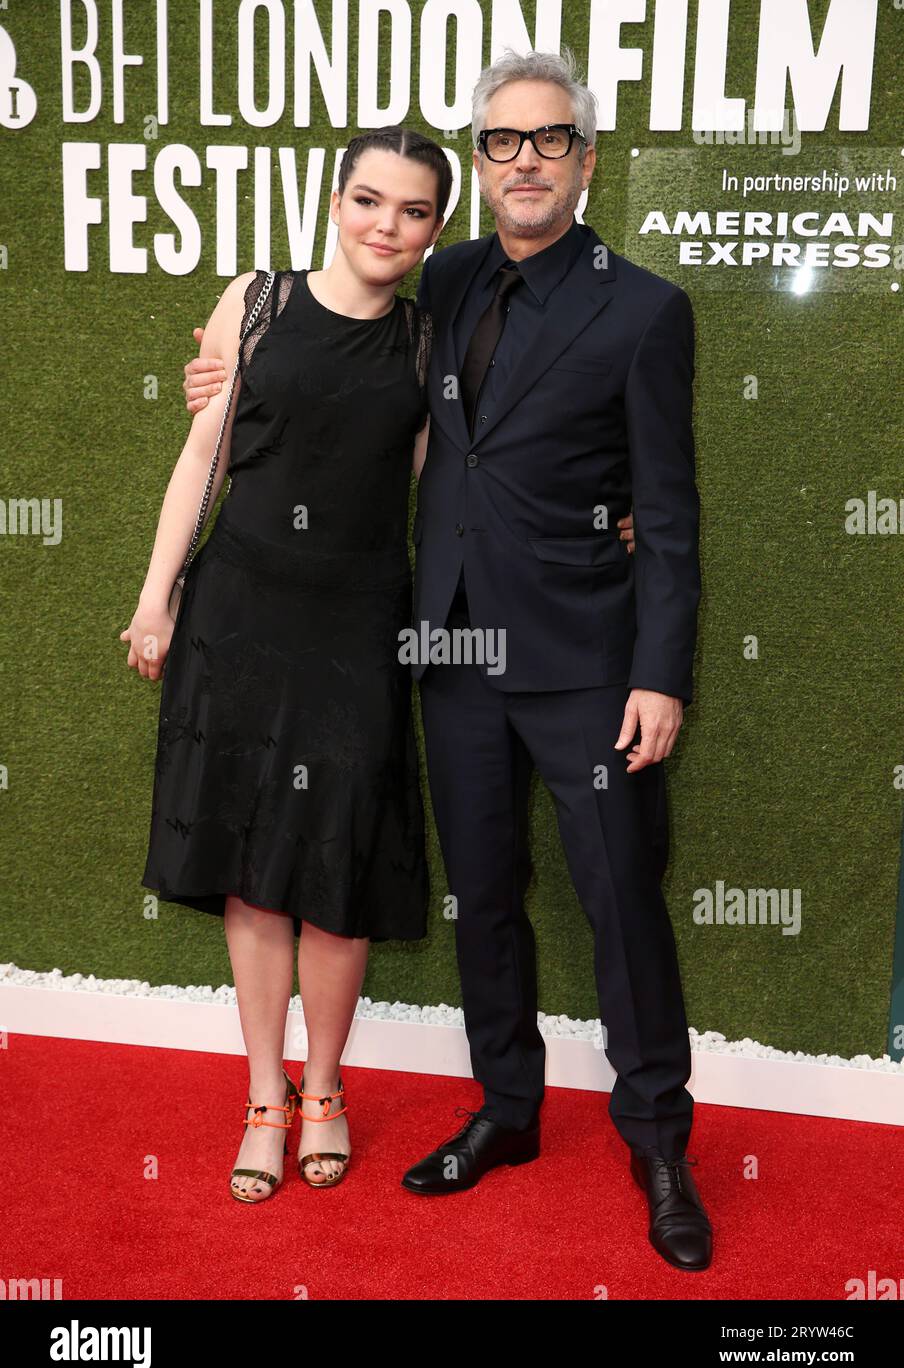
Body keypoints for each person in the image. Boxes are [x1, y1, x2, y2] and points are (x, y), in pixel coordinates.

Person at [401, 47, 712, 1273]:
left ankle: (658, 1140)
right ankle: (508, 1109)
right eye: (500, 140)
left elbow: (670, 511)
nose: (522, 159)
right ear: (478, 163)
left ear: (587, 159)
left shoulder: (643, 308)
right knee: (482, 893)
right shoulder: (444, 278)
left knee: (620, 904)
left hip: (588, 659)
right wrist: (230, 369)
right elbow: (357, 367)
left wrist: (662, 670)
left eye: (548, 139)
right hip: (455, 643)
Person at [122, 127, 450, 1202]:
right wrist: (156, 592)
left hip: (358, 627)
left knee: (335, 874)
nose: (384, 226)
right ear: (334, 200)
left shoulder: (423, 344)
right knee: (254, 875)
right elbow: (203, 453)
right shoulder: (254, 301)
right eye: (367, 200)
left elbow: (438, 492)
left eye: (411, 212)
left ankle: (325, 1089)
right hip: (240, 613)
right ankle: (265, 1095)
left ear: (434, 229)